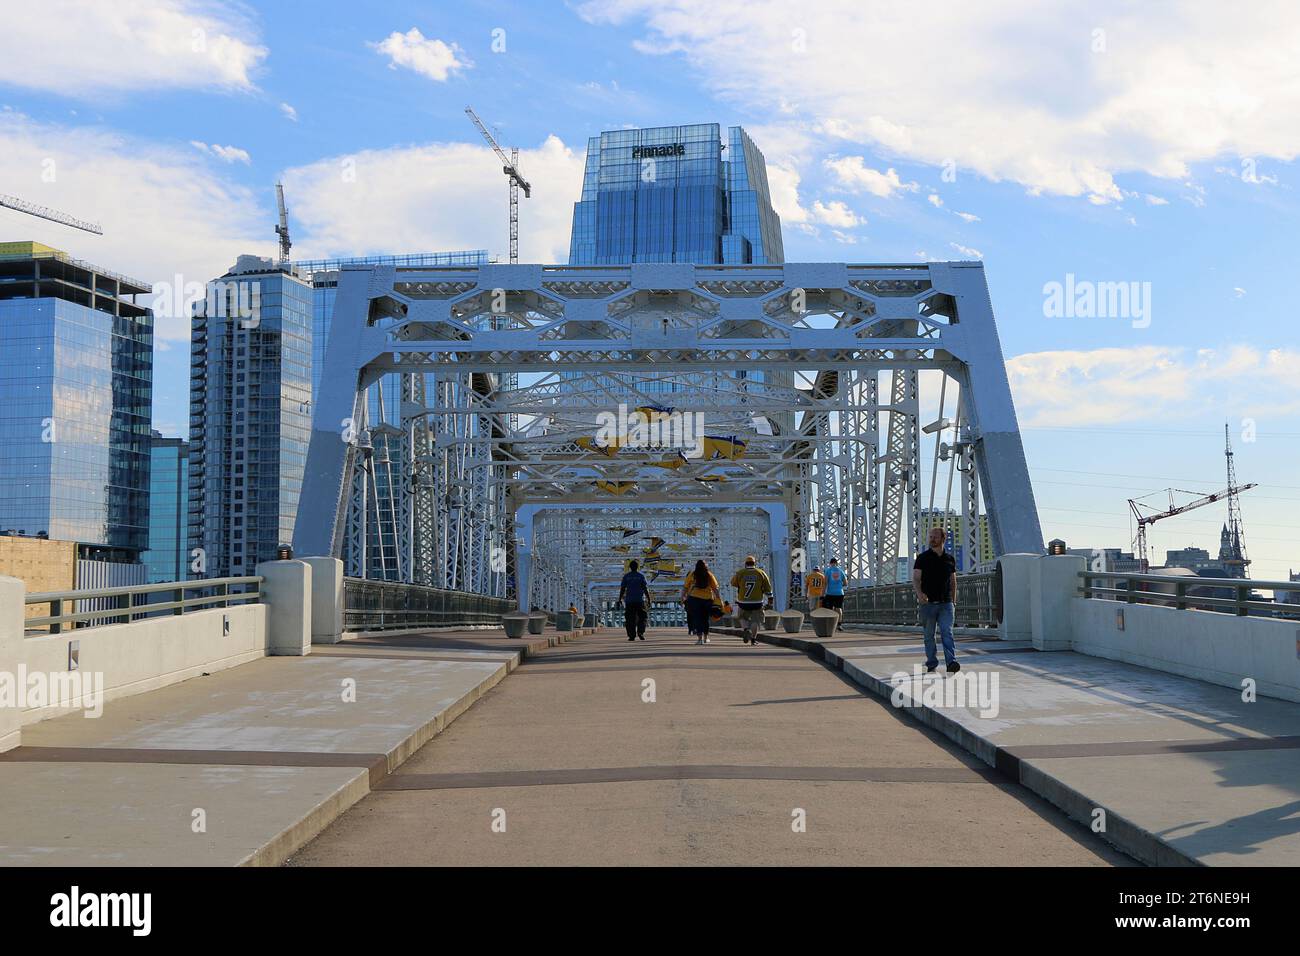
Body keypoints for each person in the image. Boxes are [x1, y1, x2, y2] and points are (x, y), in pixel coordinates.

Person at [912, 526, 959, 673]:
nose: (932, 540)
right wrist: (919, 594)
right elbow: (916, 579)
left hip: (946, 603)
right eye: (930, 537)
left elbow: (953, 581)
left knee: (947, 632)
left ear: (943, 539)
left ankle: (951, 663)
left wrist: (954, 601)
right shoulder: (922, 558)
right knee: (929, 636)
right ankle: (931, 663)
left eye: (935, 537)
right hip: (928, 604)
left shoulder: (949, 559)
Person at [730, 555, 773, 645]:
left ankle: (746, 629)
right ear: (754, 563)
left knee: (742, 617)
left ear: (746, 564)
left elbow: (733, 583)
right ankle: (753, 639)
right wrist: (770, 599)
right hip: (757, 602)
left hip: (743, 601)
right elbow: (767, 588)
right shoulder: (761, 573)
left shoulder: (740, 573)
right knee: (756, 621)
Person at [681, 559, 722, 645]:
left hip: (695, 599)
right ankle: (706, 638)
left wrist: (683, 596)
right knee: (705, 619)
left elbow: (685, 587)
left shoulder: (692, 574)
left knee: (698, 619)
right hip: (707, 599)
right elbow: (715, 588)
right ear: (705, 566)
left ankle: (699, 639)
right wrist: (718, 598)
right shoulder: (709, 574)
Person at [616, 560, 649, 641]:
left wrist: (620, 598)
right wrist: (649, 598)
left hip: (629, 601)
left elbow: (623, 589)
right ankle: (640, 632)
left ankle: (631, 635)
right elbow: (645, 588)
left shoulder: (626, 576)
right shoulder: (641, 576)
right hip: (639, 601)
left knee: (630, 618)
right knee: (643, 617)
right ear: (637, 567)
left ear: (629, 567)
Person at [822, 557, 846, 632]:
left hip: (830, 593)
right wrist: (839, 586)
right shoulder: (841, 571)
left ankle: (831, 624)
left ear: (830, 563)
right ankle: (839, 624)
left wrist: (822, 594)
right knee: (839, 608)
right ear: (836, 563)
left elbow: (825, 583)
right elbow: (845, 583)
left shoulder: (828, 571)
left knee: (830, 609)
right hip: (840, 593)